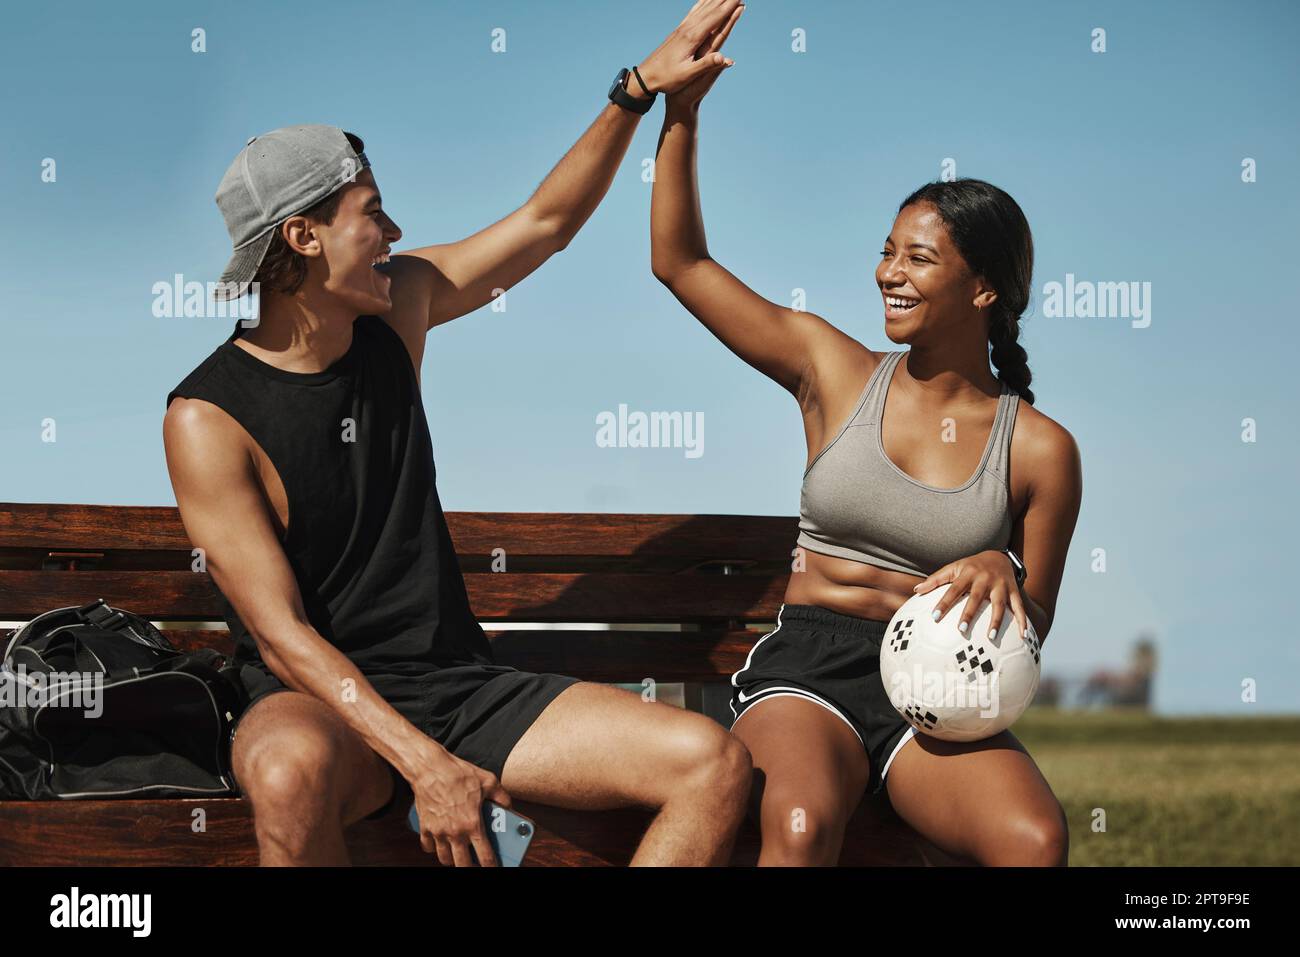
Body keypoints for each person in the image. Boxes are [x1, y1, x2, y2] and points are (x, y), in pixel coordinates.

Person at [163, 0, 751, 866]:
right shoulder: (206, 418)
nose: (395, 232)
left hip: (460, 689)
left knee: (713, 762)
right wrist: (423, 764)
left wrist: (637, 91)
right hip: (320, 706)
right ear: (302, 235)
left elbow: (544, 224)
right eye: (372, 213)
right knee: (288, 773)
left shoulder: (399, 306)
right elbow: (284, 637)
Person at [649, 61, 1083, 866]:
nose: (889, 273)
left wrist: (1004, 569)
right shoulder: (831, 367)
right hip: (810, 670)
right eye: (888, 252)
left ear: (983, 288)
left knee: (1035, 839)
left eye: (918, 259)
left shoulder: (1041, 448)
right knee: (804, 824)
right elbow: (682, 264)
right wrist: (681, 115)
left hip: (942, 695)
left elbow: (1039, 617)